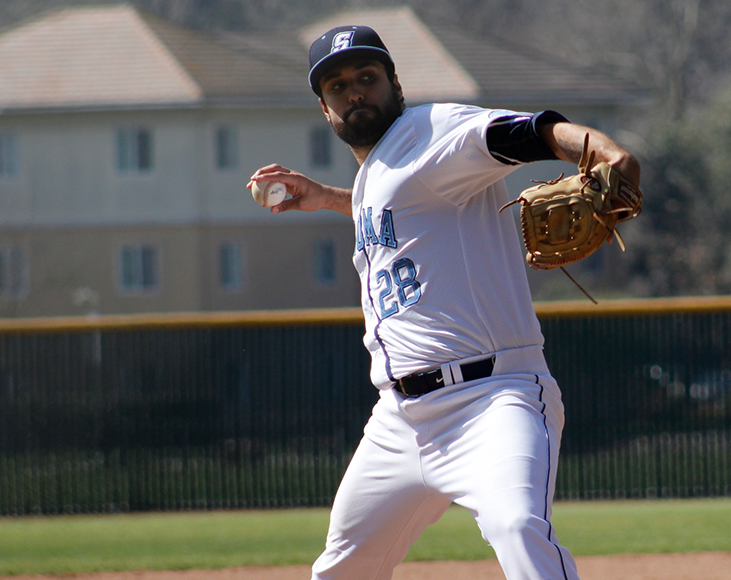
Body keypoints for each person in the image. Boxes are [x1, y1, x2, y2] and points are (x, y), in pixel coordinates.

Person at [248, 24, 640, 580]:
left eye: (367, 77)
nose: (355, 92)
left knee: (516, 527)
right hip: (400, 421)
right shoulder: (375, 172)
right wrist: (331, 198)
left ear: (394, 83)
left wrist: (602, 149)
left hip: (492, 398)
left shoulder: (430, 130)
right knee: (341, 569)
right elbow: (409, 214)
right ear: (324, 107)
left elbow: (526, 132)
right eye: (338, 86)